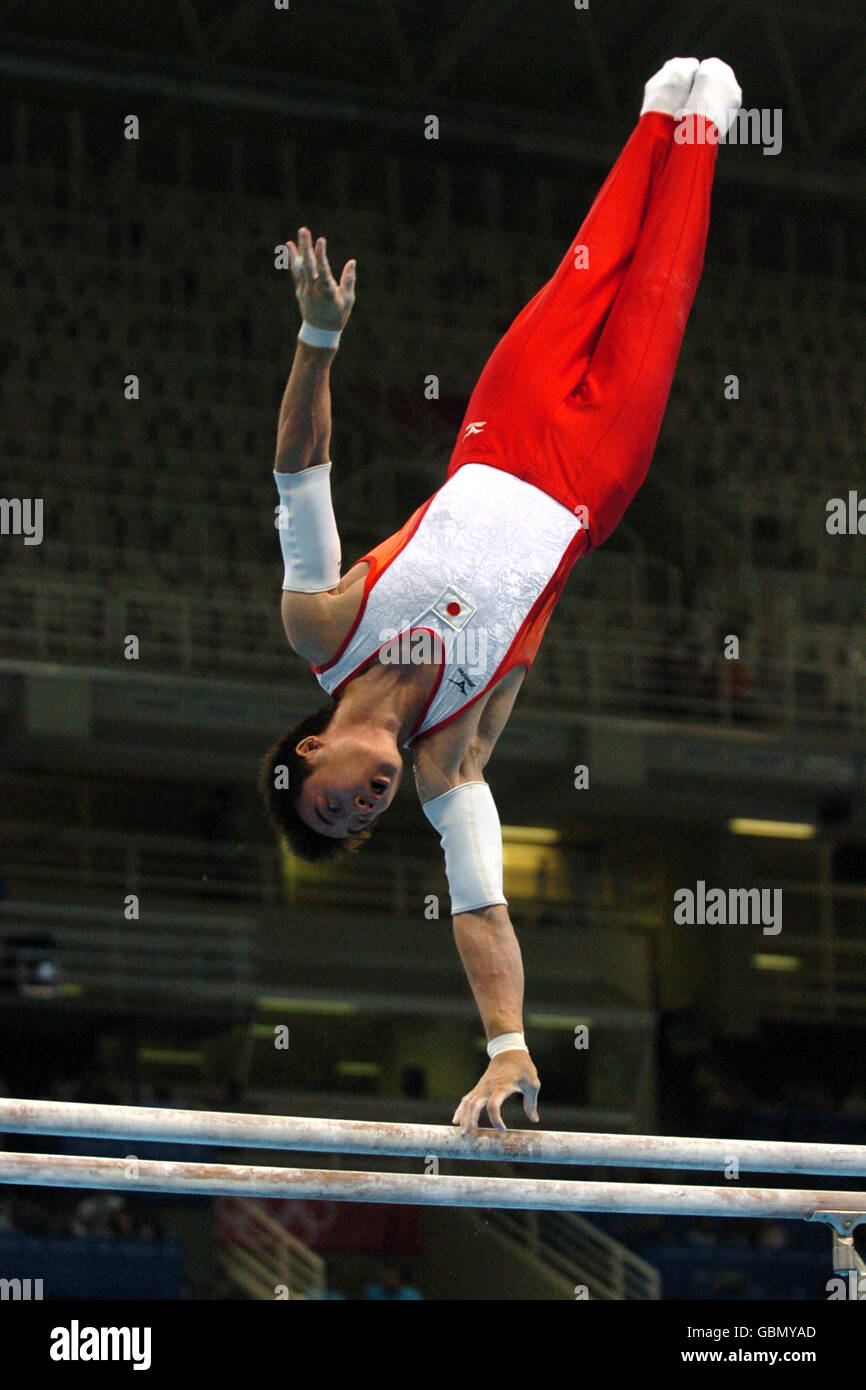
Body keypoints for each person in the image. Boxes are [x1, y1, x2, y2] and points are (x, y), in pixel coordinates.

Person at [261, 59, 742, 1132]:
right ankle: (704, 133)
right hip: (586, 489)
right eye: (357, 823)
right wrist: (506, 1049)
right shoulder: (449, 757)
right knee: (657, 292)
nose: (363, 806)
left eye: (333, 800)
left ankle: (654, 119)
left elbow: (301, 466)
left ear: (305, 751)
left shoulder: (323, 625)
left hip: (499, 429)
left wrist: (318, 335)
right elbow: (479, 905)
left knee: (586, 268)